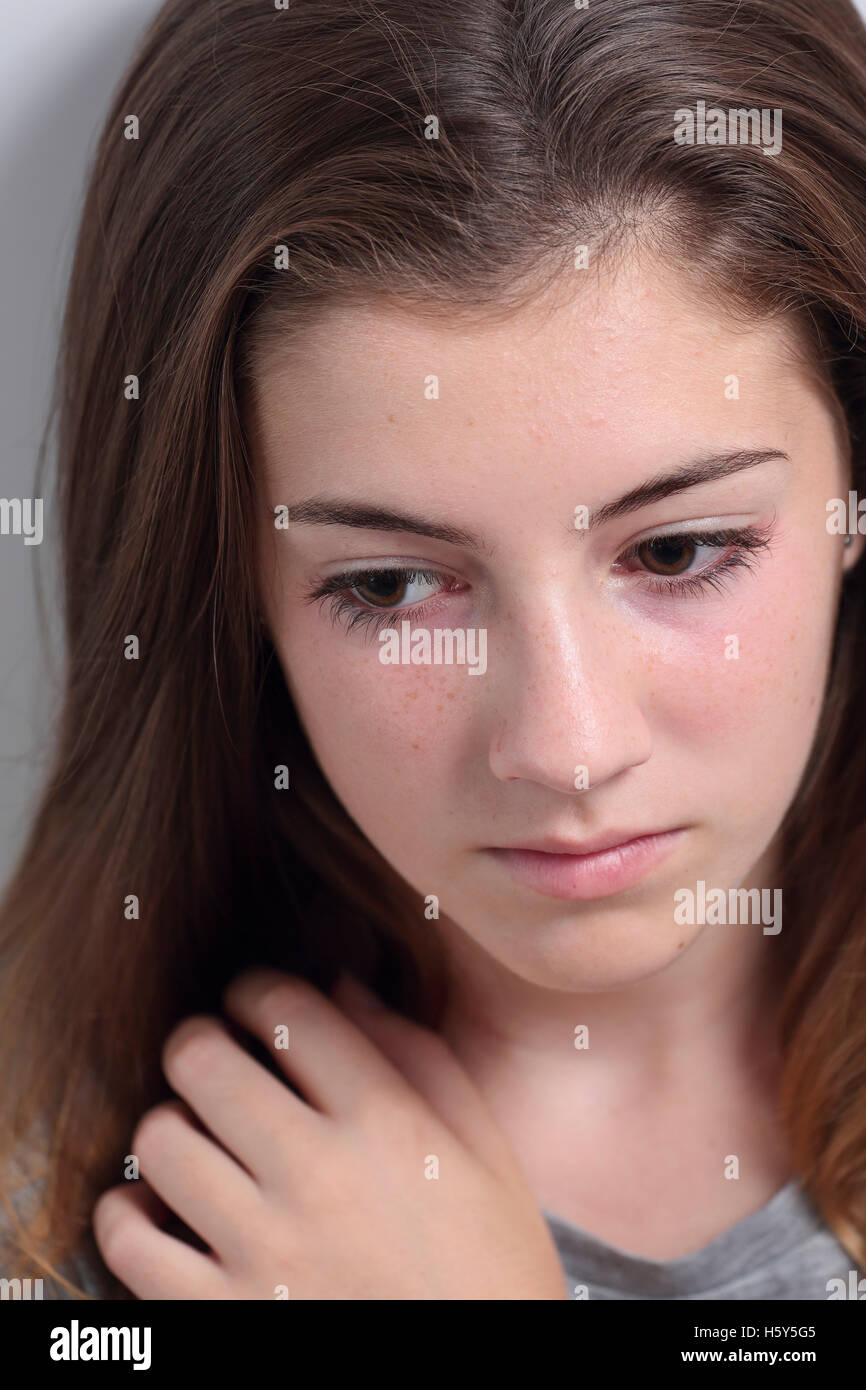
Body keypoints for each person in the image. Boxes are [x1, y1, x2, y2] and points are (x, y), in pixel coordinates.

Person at [2, 0, 866, 1301]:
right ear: (236, 576)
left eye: (677, 552)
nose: (566, 746)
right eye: (394, 583)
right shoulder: (66, 1216)